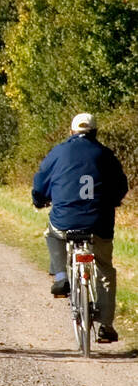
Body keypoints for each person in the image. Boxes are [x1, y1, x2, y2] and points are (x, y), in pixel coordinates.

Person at [31, 112, 129, 344]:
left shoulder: (58, 152)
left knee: (52, 234)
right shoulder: (105, 154)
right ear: (95, 132)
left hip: (65, 221)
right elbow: (121, 185)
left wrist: (39, 199)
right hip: (99, 223)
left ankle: (62, 276)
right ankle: (106, 325)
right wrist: (113, 200)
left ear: (72, 132)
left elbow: (40, 182)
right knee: (104, 268)